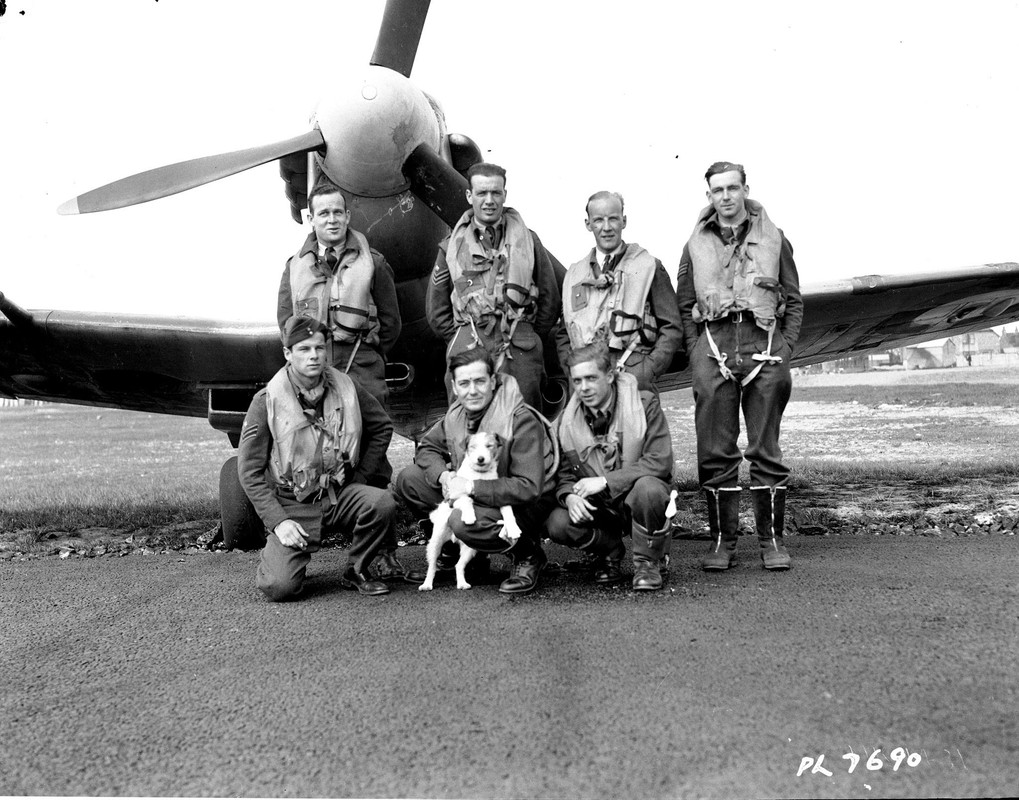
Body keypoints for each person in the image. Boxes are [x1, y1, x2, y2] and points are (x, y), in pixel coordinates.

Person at [675, 162, 803, 571]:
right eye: (717, 191)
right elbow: (682, 303)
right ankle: (721, 542)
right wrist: (697, 353)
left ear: (745, 189)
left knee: (765, 449)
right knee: (715, 451)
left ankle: (771, 542)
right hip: (713, 347)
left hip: (763, 346)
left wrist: (785, 349)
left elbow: (794, 299)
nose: (726, 197)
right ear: (709, 196)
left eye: (733, 188)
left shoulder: (775, 240)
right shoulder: (694, 244)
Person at [238, 317, 418, 601]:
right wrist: (278, 522)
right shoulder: (266, 400)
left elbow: (382, 426)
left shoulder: (347, 387)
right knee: (280, 588)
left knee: (381, 502)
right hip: (293, 503)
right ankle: (279, 557)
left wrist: (359, 479)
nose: (313, 356)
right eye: (304, 349)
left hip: (339, 495)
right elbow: (249, 471)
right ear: (287, 353)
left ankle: (356, 570)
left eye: (319, 348)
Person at [395, 347, 554, 595]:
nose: (472, 390)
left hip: (521, 503)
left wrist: (470, 487)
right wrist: (445, 476)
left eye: (480, 381)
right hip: (477, 496)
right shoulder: (456, 414)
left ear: (493, 382)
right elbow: (426, 449)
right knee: (410, 479)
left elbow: (529, 487)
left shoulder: (519, 418)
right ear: (455, 387)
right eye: (464, 383)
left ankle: (528, 554)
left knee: (461, 521)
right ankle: (470, 558)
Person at [426, 162, 561, 408]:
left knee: (524, 425)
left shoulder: (529, 241)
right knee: (469, 429)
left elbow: (549, 298)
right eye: (482, 193)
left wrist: (527, 333)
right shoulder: (449, 247)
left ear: (504, 195)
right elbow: (437, 311)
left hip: (520, 348)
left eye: (496, 193)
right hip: (470, 343)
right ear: (469, 196)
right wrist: (461, 335)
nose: (489, 200)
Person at [546, 343, 675, 591]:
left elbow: (659, 461)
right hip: (601, 506)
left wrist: (606, 481)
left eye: (591, 378)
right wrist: (570, 497)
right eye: (577, 381)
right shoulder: (565, 421)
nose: (584, 388)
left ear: (609, 376)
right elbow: (563, 475)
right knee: (558, 521)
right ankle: (609, 551)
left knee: (650, 488)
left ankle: (648, 562)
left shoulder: (644, 403)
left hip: (636, 497)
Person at [277, 182, 401, 405]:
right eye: (323, 213)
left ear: (348, 216)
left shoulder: (374, 263)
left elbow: (391, 323)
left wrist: (368, 357)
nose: (332, 220)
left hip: (363, 372)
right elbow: (286, 323)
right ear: (311, 220)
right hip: (313, 373)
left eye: (337, 212)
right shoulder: (293, 268)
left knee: (372, 433)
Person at [556, 191, 682, 391]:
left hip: (633, 377)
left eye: (613, 219)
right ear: (588, 224)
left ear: (623, 221)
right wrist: (572, 370)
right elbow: (564, 332)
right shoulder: (574, 275)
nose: (606, 228)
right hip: (585, 380)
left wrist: (647, 369)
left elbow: (672, 327)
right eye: (598, 220)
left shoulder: (648, 266)